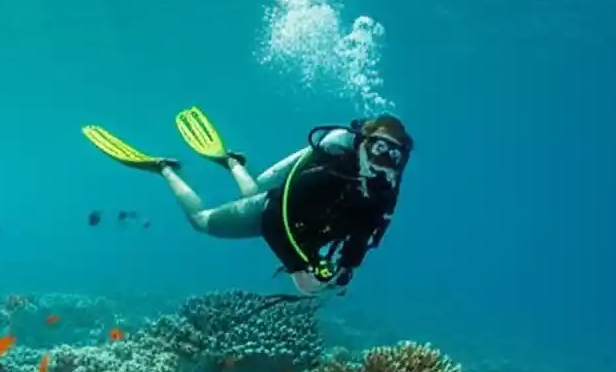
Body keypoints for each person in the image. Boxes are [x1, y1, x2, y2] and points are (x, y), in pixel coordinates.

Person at [81, 107, 414, 295]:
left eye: (394, 156)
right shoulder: (330, 173)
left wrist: (346, 269)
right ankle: (164, 168)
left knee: (254, 190)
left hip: (302, 222)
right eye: (379, 149)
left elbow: (364, 231)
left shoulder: (384, 193)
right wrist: (300, 269)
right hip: (275, 210)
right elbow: (274, 217)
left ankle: (232, 162)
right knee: (203, 221)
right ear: (363, 144)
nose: (385, 162)